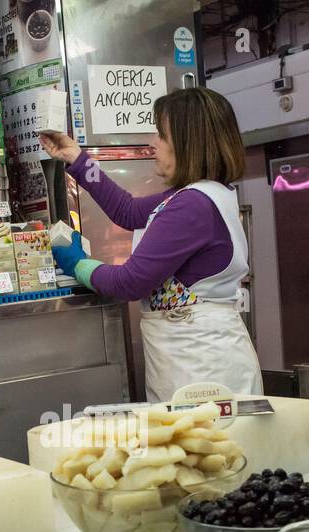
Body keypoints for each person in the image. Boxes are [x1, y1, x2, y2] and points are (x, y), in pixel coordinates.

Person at [40, 87, 262, 403]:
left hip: (201, 367)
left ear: (188, 145)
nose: (153, 144)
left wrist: (77, 264)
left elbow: (130, 282)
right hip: (198, 357)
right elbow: (127, 211)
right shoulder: (205, 193)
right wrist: (76, 158)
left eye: (162, 136)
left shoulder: (193, 204)